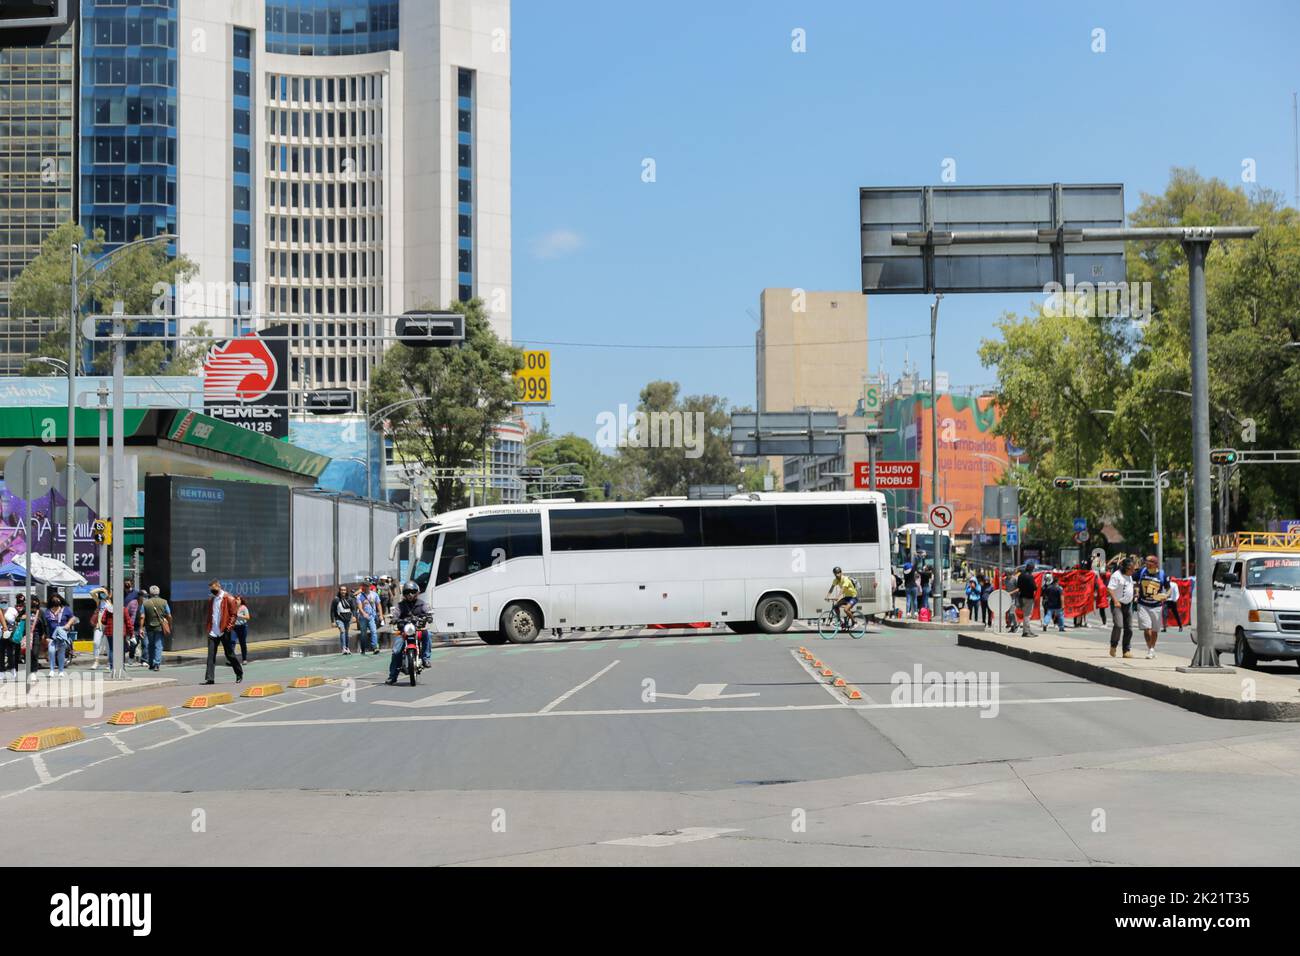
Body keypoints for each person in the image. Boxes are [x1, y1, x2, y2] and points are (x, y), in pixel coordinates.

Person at [387, 583, 431, 684]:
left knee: (427, 634)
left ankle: (426, 658)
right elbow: (395, 613)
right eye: (407, 592)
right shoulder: (400, 605)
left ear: (417, 593)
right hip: (404, 631)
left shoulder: (422, 604)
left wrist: (428, 616)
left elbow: (428, 610)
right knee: (396, 651)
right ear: (404, 594)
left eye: (413, 592)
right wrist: (394, 618)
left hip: (418, 629)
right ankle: (392, 676)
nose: (410, 594)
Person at [202, 579, 244, 685]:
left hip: (224, 630)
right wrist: (209, 627)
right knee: (211, 655)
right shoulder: (212, 600)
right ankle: (210, 678)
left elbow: (234, 615)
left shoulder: (228, 598)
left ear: (219, 587)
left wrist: (228, 628)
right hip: (213, 632)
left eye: (213, 589)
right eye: (211, 589)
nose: (212, 591)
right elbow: (211, 615)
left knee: (229, 654)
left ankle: (239, 673)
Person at [1133, 554, 1170, 660]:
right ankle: (1150, 649)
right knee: (1147, 628)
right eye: (1146, 561)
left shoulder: (1162, 574)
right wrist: (1136, 590)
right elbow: (1132, 578)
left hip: (1157, 606)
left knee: (1154, 630)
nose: (1146, 563)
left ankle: (1152, 648)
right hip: (1143, 604)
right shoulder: (1142, 571)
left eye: (1149, 562)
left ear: (1155, 563)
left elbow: (1168, 588)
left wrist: (1166, 595)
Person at [139, 586, 172, 672]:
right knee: (158, 645)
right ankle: (157, 664)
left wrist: (141, 628)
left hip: (149, 627)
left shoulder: (145, 603)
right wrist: (169, 624)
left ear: (150, 593)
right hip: (160, 627)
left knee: (151, 645)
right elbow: (169, 615)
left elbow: (142, 617)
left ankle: (150, 663)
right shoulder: (164, 602)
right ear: (159, 593)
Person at [1107, 557, 1135, 658]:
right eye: (1131, 569)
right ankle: (1113, 646)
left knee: (1129, 628)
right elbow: (1110, 589)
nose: (1133, 571)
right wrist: (1115, 601)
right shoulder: (1116, 575)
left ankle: (1126, 650)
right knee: (1118, 625)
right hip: (1117, 604)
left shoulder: (1129, 576)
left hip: (1128, 604)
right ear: (1125, 568)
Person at [1008, 561, 1038, 635]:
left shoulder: (1021, 575)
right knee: (1027, 615)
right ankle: (1026, 631)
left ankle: (1028, 630)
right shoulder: (1030, 576)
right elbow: (1034, 587)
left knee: (1025, 614)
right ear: (1031, 569)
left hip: (1021, 596)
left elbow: (1018, 586)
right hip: (1028, 597)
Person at [331, 585, 356, 654]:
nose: (343, 591)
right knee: (342, 631)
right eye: (342, 590)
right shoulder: (336, 599)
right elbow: (332, 611)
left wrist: (354, 616)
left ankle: (347, 647)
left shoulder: (350, 599)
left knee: (346, 634)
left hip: (347, 619)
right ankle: (343, 648)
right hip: (339, 619)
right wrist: (333, 621)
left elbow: (353, 608)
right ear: (339, 591)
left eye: (344, 590)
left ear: (346, 591)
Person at [357, 583, 381, 654]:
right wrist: (364, 613)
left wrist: (381, 615)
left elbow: (378, 604)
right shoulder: (359, 596)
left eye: (367, 586)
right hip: (362, 617)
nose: (366, 587)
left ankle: (375, 647)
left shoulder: (374, 594)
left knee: (374, 631)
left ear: (370, 586)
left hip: (371, 616)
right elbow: (359, 607)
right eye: (364, 586)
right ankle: (363, 648)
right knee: (363, 633)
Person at [233, 596, 251, 663]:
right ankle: (233, 660)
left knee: (242, 643)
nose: (236, 601)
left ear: (241, 601)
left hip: (242, 627)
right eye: (235, 599)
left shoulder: (244, 607)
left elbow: (248, 617)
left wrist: (239, 615)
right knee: (232, 642)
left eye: (238, 599)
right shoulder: (233, 607)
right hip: (234, 627)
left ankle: (244, 659)